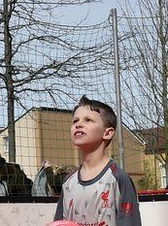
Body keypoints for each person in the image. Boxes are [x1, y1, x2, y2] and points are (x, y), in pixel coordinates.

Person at [54, 96, 141, 226]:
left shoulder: (118, 178)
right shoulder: (68, 182)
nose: (78, 124)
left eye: (88, 120)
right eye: (75, 121)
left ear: (108, 133)